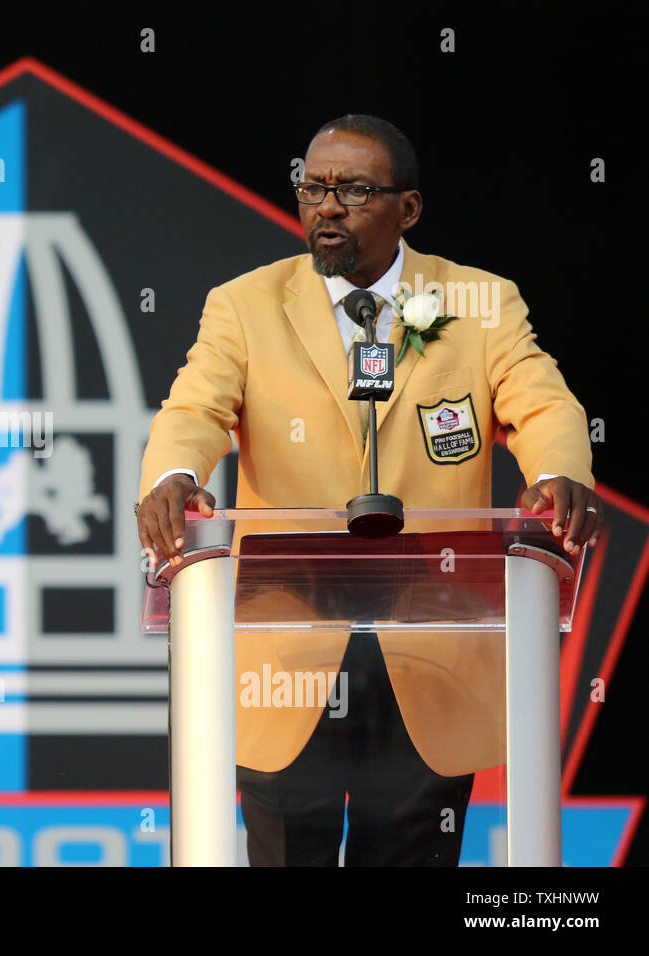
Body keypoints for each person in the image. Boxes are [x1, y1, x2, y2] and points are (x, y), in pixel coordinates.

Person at [134, 114, 605, 866]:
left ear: (407, 209)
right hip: (282, 650)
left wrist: (558, 473)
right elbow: (195, 407)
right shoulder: (247, 305)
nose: (326, 206)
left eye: (353, 190)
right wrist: (175, 477)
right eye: (313, 187)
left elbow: (541, 399)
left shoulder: (478, 303)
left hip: (435, 650)